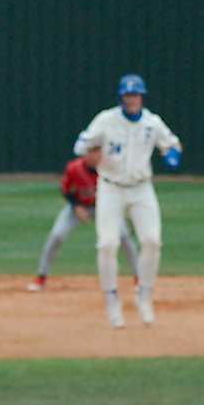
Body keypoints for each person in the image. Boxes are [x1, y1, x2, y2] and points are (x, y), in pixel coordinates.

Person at [74, 73, 182, 327]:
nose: (131, 99)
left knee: (152, 241)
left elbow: (172, 144)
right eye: (127, 95)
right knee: (107, 244)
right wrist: (89, 151)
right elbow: (80, 145)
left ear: (141, 96)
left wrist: (172, 155)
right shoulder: (106, 120)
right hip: (111, 187)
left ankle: (144, 296)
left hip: (141, 188)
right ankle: (111, 301)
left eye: (135, 94)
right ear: (121, 97)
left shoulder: (151, 123)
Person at [27, 151, 137, 292]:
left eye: (97, 152)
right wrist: (76, 206)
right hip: (78, 207)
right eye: (90, 152)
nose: (94, 156)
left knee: (124, 238)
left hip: (105, 207)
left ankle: (139, 278)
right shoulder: (74, 168)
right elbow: (65, 189)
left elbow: (121, 191)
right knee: (56, 235)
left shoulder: (109, 169)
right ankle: (41, 277)